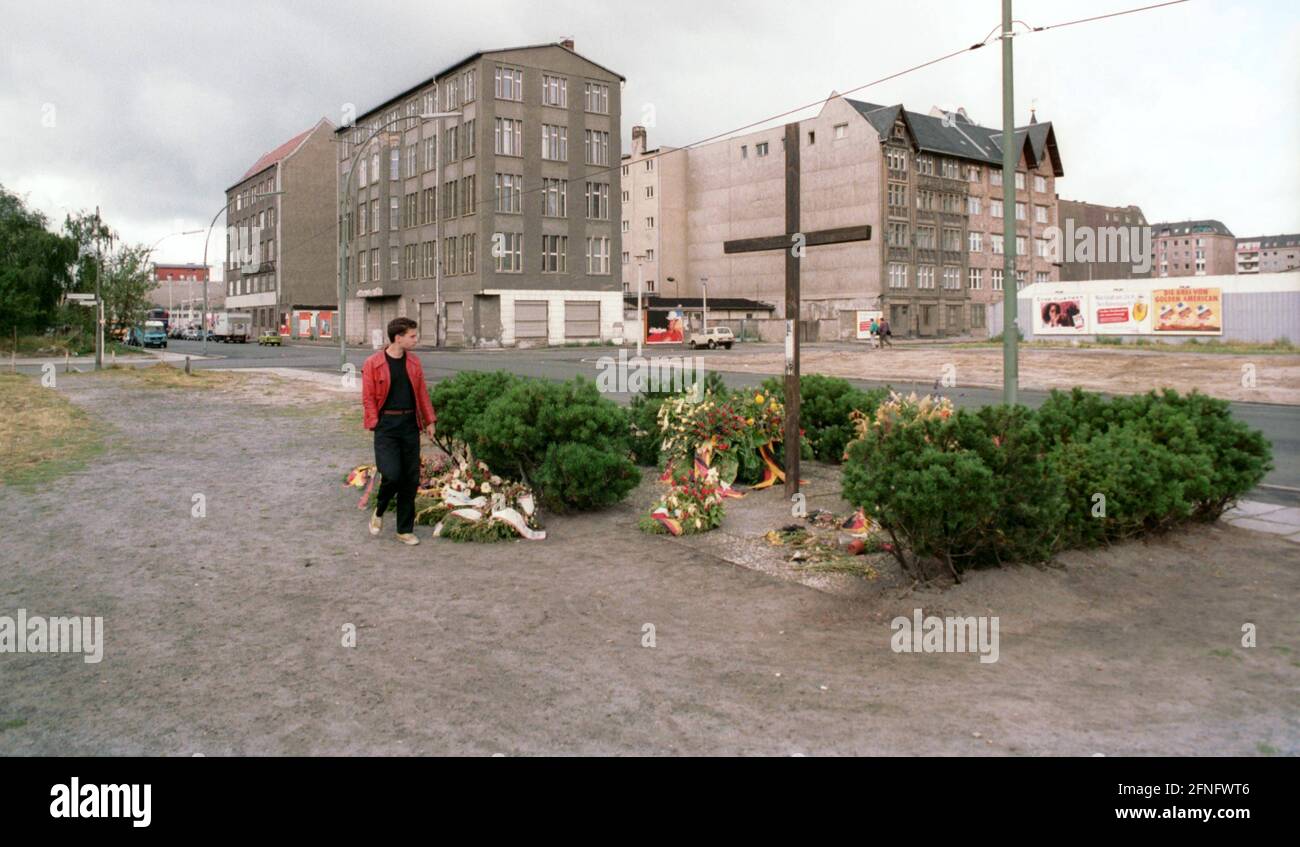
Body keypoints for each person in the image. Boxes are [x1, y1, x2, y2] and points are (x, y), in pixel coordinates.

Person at [361, 317, 437, 545]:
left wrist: (430, 420)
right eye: (412, 336)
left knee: (409, 479)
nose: (416, 339)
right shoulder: (373, 363)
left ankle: (404, 530)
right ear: (398, 338)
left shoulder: (414, 363)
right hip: (386, 428)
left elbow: (422, 393)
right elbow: (368, 397)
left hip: (409, 426)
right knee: (392, 474)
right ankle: (379, 509)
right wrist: (375, 423)